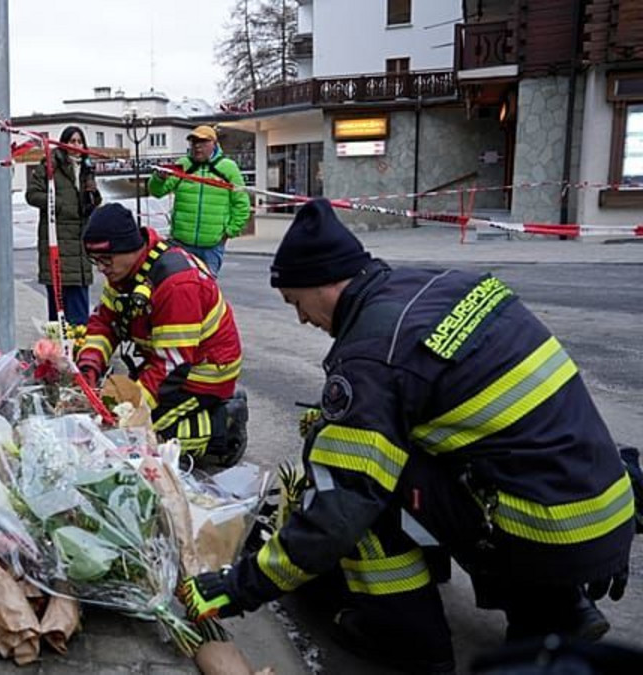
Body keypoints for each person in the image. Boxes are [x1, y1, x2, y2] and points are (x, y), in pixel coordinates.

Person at [178, 200, 635, 674]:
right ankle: (554, 609)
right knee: (456, 451)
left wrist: (239, 587)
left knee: (363, 488)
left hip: (543, 531)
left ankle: (409, 639)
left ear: (326, 283)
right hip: (603, 506)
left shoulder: (372, 355)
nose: (302, 319)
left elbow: (340, 511)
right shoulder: (445, 285)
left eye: (296, 302)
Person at [76, 203, 244, 460]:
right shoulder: (124, 274)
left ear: (129, 248)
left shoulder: (176, 284)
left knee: (140, 439)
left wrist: (131, 412)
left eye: (105, 260)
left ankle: (227, 422)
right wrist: (90, 364)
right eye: (95, 260)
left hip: (203, 374)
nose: (100, 268)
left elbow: (172, 366)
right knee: (117, 424)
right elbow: (105, 323)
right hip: (170, 364)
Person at [147, 125, 249, 276]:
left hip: (211, 246)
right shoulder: (183, 165)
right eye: (194, 142)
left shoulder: (228, 168)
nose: (197, 146)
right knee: (179, 286)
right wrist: (158, 179)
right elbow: (157, 192)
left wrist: (228, 232)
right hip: (181, 242)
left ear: (214, 143)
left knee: (205, 291)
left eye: (202, 142)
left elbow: (241, 204)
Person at [26, 125, 101, 325]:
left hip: (79, 245)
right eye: (72, 141)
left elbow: (89, 205)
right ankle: (59, 349)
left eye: (80, 141)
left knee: (79, 307)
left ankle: (79, 349)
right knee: (59, 311)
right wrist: (59, 204)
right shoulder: (51, 166)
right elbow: (32, 195)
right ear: (63, 143)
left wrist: (93, 196)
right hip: (57, 240)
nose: (76, 145)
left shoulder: (87, 169)